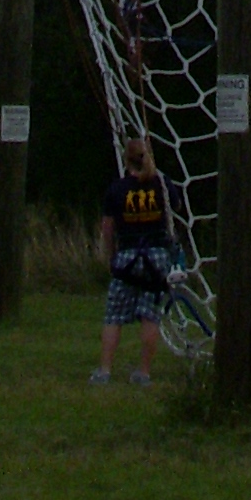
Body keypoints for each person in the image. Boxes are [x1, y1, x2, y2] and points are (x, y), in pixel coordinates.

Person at [92, 132, 180, 385]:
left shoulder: (117, 189)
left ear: (126, 160)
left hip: (127, 258)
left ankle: (105, 370)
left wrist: (111, 257)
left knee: (113, 316)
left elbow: (108, 228)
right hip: (157, 257)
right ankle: (143, 372)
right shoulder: (161, 184)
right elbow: (176, 208)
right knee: (149, 316)